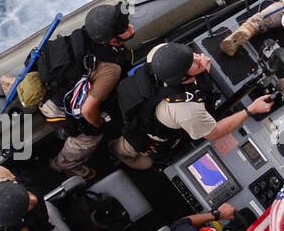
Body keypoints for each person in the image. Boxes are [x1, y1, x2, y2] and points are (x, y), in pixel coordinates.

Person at [0, 3, 136, 181]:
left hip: (47, 87)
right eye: (124, 28)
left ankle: (20, 91)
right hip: (57, 106)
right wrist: (98, 124)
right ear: (110, 39)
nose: (130, 27)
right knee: (88, 137)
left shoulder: (83, 37)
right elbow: (88, 110)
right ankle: (64, 165)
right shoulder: (111, 69)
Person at [111, 43, 274, 170]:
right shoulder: (186, 110)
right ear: (183, 79)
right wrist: (250, 110)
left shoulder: (161, 52)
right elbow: (213, 133)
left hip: (146, 110)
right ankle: (124, 151)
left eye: (192, 55)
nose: (199, 58)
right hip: (156, 131)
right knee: (148, 152)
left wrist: (199, 68)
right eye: (193, 63)